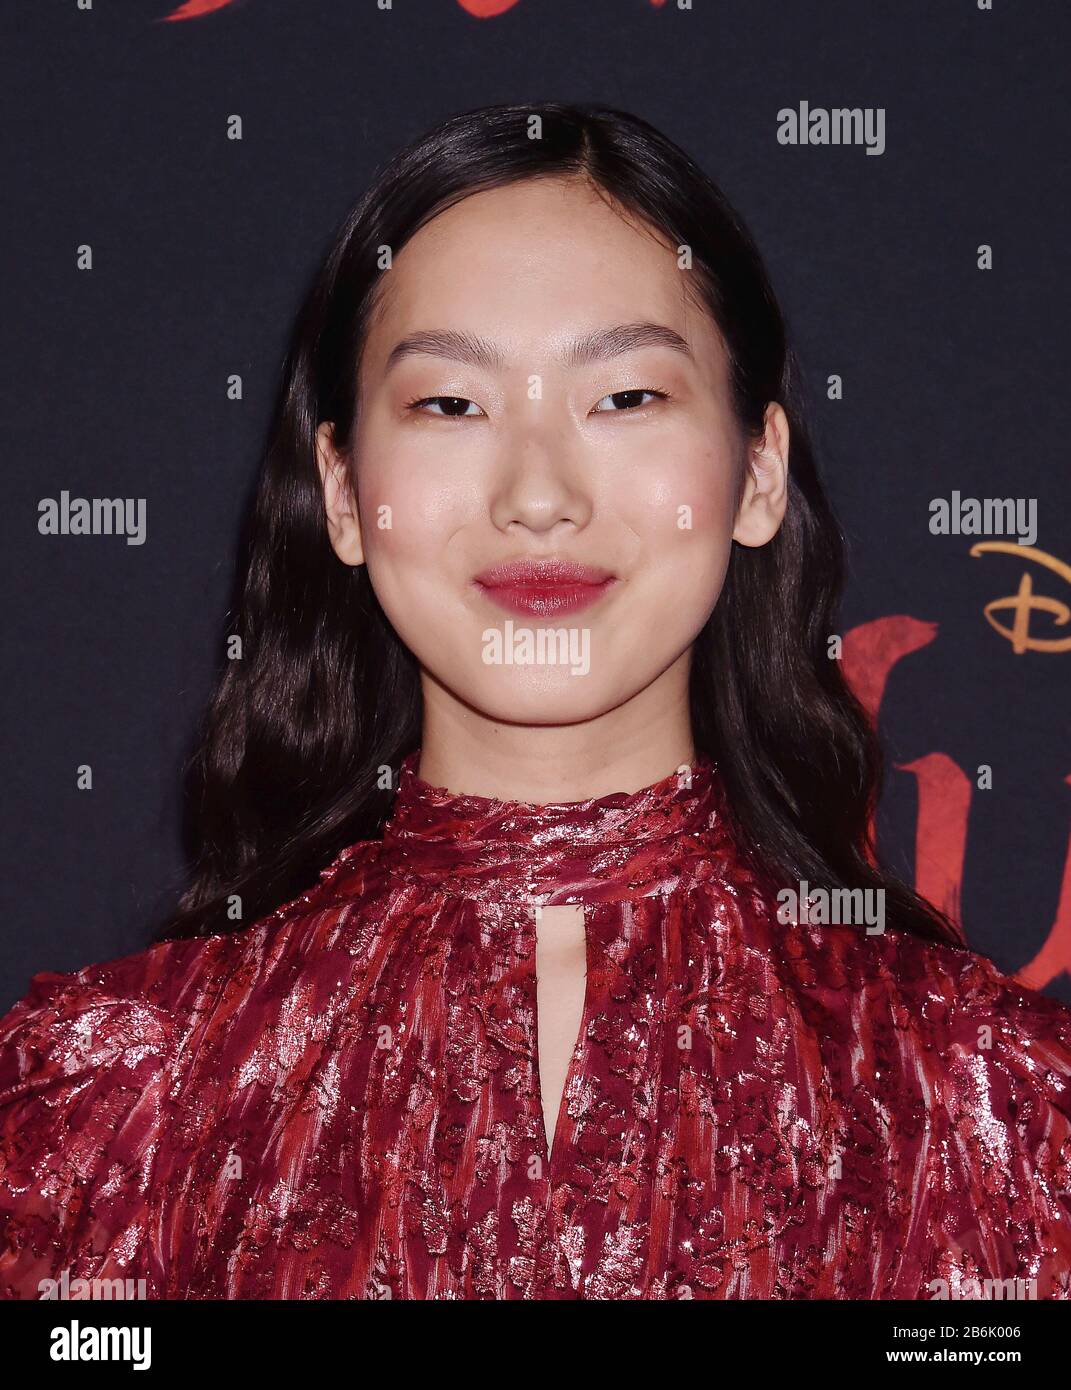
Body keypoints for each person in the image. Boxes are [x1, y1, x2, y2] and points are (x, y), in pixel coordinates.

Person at [1, 102, 1068, 1301]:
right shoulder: (119, 1107)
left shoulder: (978, 1098)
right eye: (451, 405)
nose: (540, 494)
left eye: (626, 398)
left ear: (757, 473)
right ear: (344, 494)